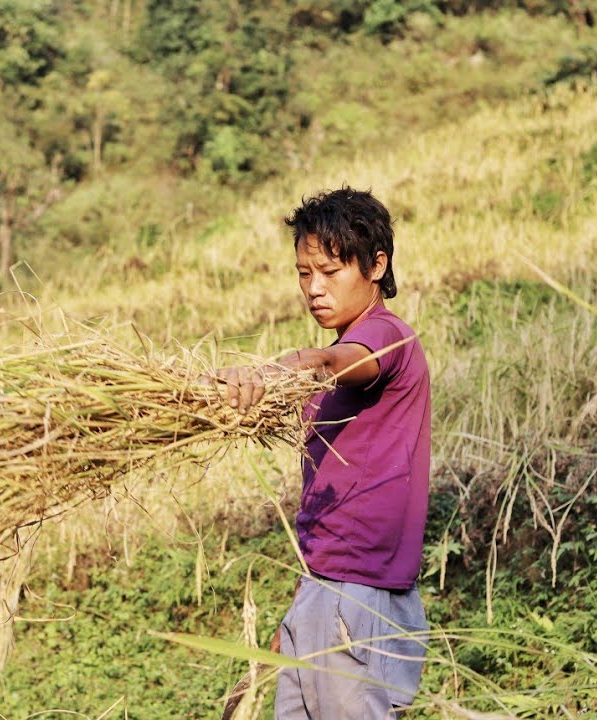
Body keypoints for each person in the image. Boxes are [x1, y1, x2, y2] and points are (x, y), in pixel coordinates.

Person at [215, 186, 432, 719]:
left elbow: (346, 361)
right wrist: (298, 615)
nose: (314, 289)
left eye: (330, 273)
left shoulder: (385, 338)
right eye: (303, 273)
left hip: (356, 603)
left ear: (376, 265)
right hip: (326, 593)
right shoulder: (333, 363)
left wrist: (277, 369)